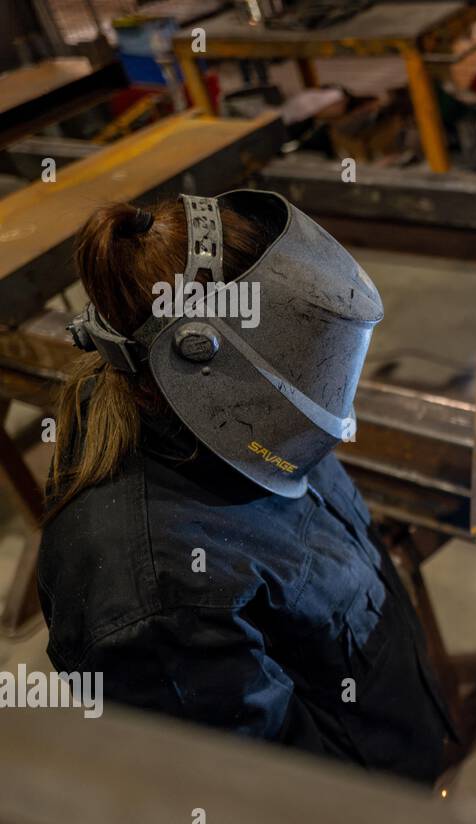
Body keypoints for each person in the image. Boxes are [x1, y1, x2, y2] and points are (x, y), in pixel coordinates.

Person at [38, 189, 454, 783]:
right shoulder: (150, 604)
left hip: (391, 724)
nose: (334, 409)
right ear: (202, 367)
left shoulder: (237, 431)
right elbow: (281, 807)